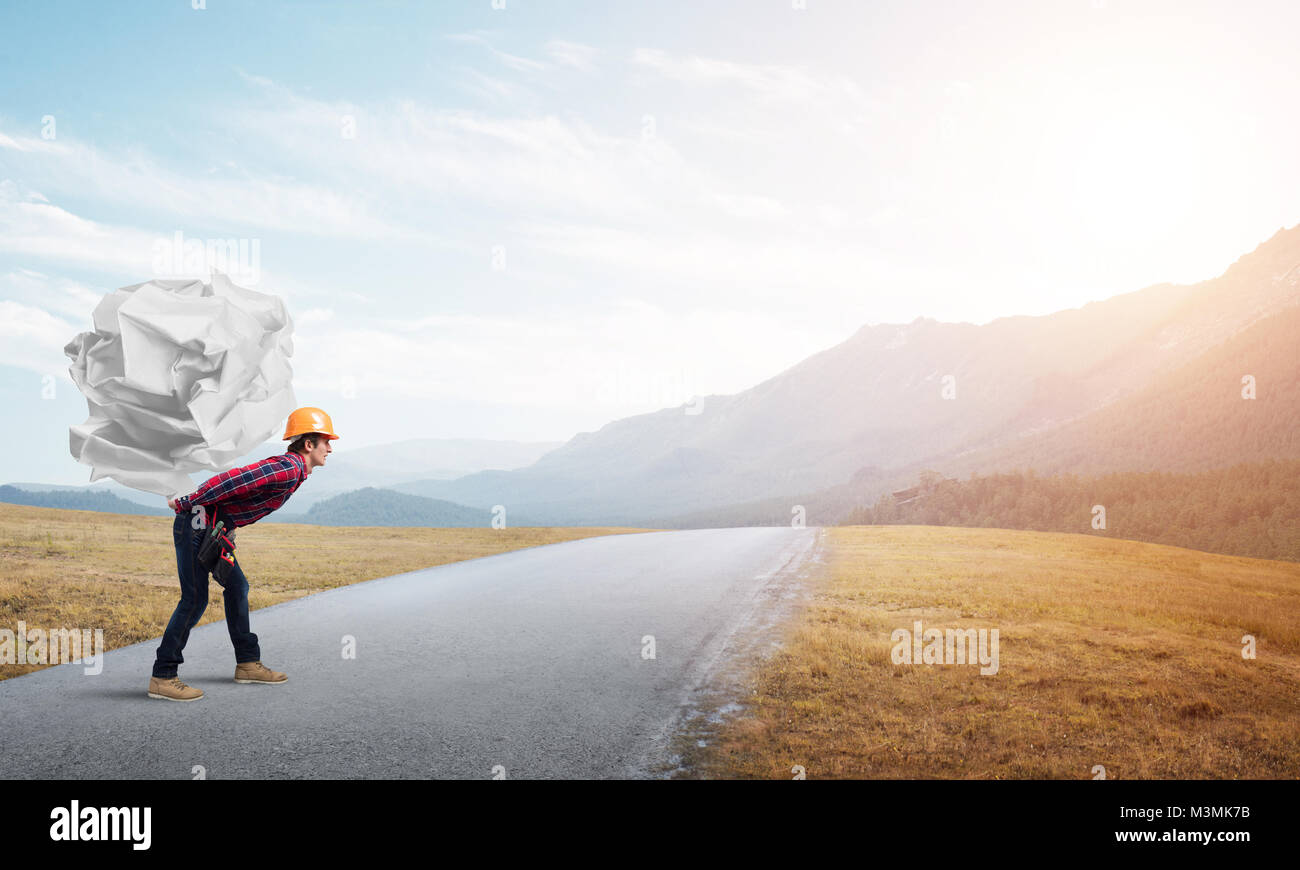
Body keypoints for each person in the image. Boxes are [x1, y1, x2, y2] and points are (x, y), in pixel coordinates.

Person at [147, 407, 339, 702]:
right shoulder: (288, 468)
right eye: (326, 440)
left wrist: (227, 530)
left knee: (238, 587)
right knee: (194, 599)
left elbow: (238, 497)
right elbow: (233, 480)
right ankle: (163, 676)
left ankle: (248, 664)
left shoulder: (295, 471)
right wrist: (188, 501)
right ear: (309, 444)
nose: (330, 447)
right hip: (196, 522)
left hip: (211, 529)